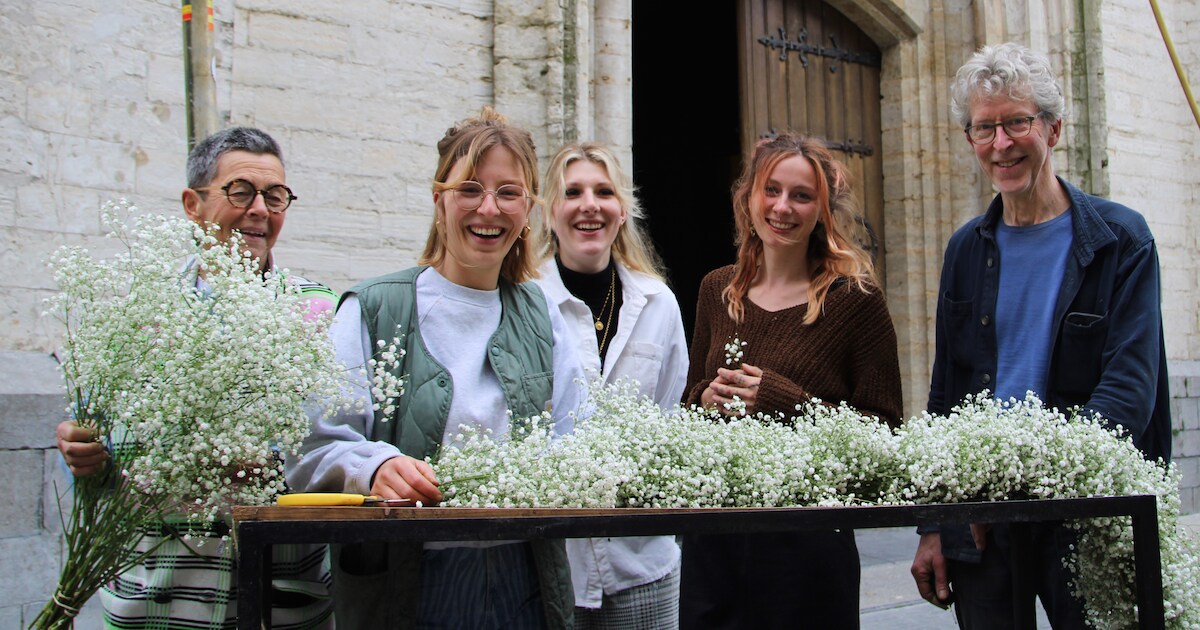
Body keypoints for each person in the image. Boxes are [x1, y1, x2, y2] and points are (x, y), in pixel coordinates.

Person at [285, 107, 588, 630]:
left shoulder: (542, 314)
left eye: (509, 192)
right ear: (438, 199)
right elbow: (312, 448)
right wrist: (374, 468)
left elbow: (577, 434)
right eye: (469, 188)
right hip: (409, 577)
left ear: (528, 209)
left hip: (528, 576)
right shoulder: (375, 308)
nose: (488, 208)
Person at [909, 42, 1171, 629]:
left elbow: (1128, 394)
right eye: (984, 128)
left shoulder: (1121, 240)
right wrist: (936, 523)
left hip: (1088, 512)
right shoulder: (964, 249)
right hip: (980, 519)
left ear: (1053, 128)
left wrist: (1020, 487)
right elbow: (946, 392)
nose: (1001, 143)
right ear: (970, 140)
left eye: (1017, 123)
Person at [54, 127, 336, 629]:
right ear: (193, 204)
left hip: (279, 599)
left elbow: (339, 441)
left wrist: (273, 464)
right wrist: (81, 453)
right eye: (241, 192)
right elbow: (95, 445)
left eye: (275, 196)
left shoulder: (320, 310)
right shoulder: (139, 310)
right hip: (155, 600)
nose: (260, 210)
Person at [679, 133, 902, 629]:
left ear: (822, 210)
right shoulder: (716, 289)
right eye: (772, 190)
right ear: (749, 197)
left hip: (808, 552)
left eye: (802, 195)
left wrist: (786, 400)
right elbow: (688, 404)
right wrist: (704, 398)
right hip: (714, 543)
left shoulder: (856, 302)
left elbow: (886, 431)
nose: (783, 207)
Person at [534, 142, 688, 629]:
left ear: (623, 211)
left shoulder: (658, 303)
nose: (590, 205)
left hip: (642, 564)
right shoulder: (524, 302)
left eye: (604, 192)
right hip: (551, 565)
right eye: (572, 192)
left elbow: (669, 413)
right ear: (549, 212)